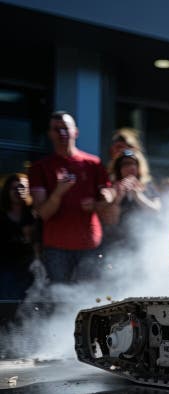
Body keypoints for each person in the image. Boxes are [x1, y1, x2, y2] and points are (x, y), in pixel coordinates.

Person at [27, 111, 113, 284]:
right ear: (50, 134)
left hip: (90, 245)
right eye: (56, 129)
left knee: (90, 296)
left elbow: (109, 197)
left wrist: (101, 201)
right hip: (56, 249)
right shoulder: (39, 168)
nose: (62, 133)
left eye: (65, 128)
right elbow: (42, 213)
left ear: (76, 132)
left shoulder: (93, 164)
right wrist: (59, 192)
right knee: (60, 296)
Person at [102, 149, 161, 249]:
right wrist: (118, 198)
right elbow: (111, 220)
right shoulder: (113, 187)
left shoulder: (147, 185)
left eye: (133, 163)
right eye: (124, 164)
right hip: (118, 243)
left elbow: (156, 210)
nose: (130, 167)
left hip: (144, 241)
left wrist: (137, 195)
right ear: (119, 169)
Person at [0, 174, 38, 302]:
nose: (18, 191)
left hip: (30, 267)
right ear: (7, 191)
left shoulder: (35, 213)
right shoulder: (2, 215)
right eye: (14, 188)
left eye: (22, 187)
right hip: (6, 267)